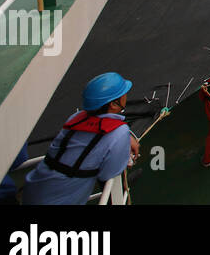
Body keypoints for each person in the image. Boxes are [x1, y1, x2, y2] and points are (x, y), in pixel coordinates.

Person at [22, 72, 138, 205]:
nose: (126, 95)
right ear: (113, 104)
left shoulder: (76, 117)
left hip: (33, 190)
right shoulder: (119, 133)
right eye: (123, 93)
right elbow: (107, 174)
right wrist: (123, 146)